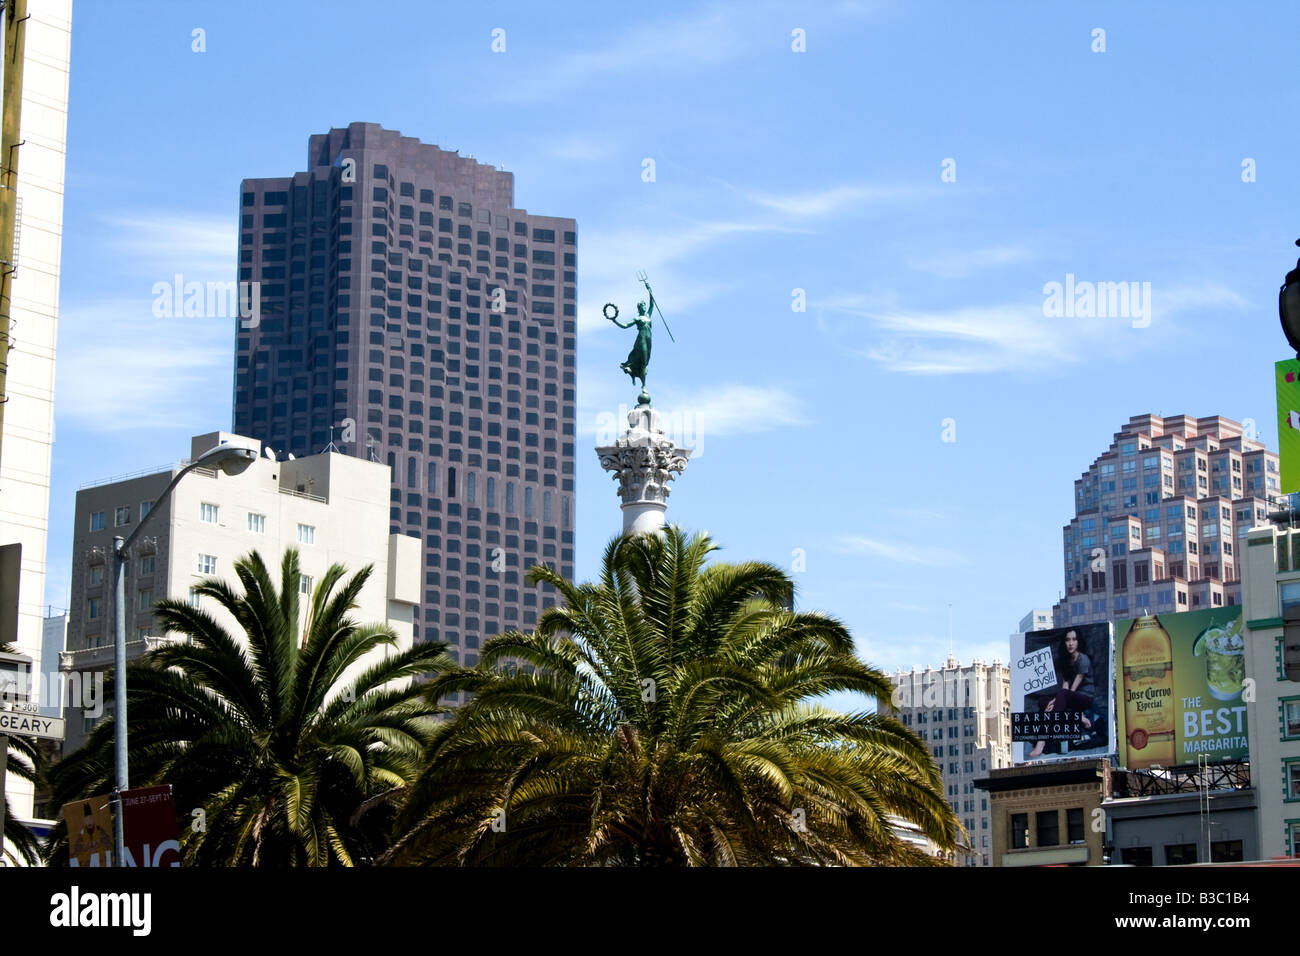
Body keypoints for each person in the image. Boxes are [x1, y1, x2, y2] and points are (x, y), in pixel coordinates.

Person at [1027, 630, 1096, 758]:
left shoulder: (1083, 659)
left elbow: (1071, 690)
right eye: (1067, 640)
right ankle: (1078, 717)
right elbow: (1065, 685)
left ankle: (1041, 742)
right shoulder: (1066, 660)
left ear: (1078, 641)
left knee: (1061, 698)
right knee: (1043, 701)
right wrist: (1053, 702)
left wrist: (1058, 700)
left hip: (1085, 698)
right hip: (1070, 697)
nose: (1070, 643)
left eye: (1074, 639)